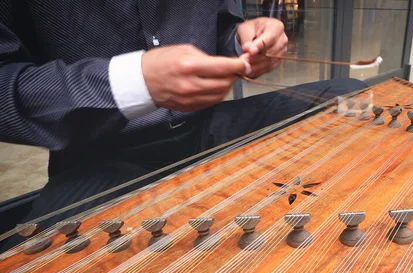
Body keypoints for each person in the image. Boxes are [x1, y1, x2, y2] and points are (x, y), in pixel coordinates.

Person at [0, 0, 366, 248]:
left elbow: (221, 24)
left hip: (204, 130)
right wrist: (130, 82)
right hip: (96, 154)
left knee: (349, 96)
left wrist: (243, 40)